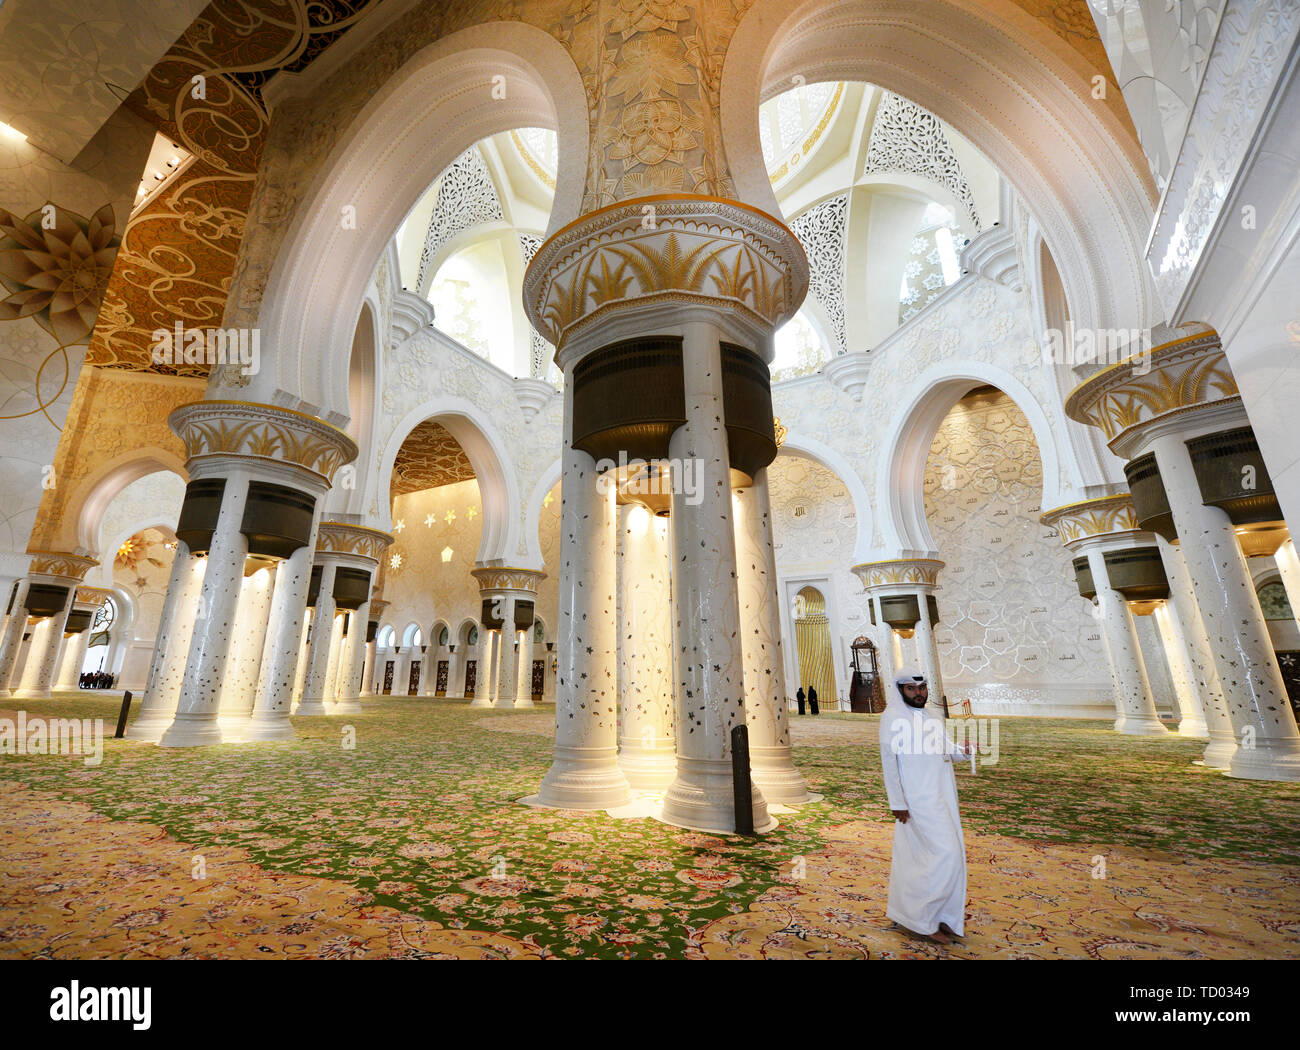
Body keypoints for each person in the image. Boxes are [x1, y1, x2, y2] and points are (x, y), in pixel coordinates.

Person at [878, 667, 972, 944]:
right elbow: (889, 762)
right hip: (915, 801)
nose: (919, 694)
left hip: (941, 796)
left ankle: (934, 916)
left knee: (925, 858)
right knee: (947, 854)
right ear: (900, 690)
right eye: (911, 689)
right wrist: (897, 801)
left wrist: (963, 751)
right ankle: (922, 919)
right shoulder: (892, 717)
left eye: (922, 688)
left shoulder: (932, 715)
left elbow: (945, 749)